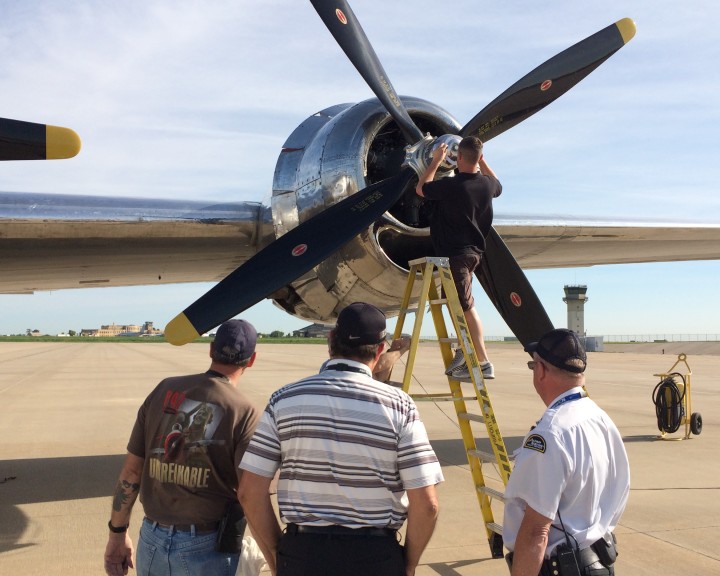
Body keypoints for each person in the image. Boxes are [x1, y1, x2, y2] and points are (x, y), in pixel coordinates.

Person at [238, 302, 444, 576]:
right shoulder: (400, 405)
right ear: (380, 350)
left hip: (302, 556)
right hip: (375, 558)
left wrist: (279, 557)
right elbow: (427, 504)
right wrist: (408, 563)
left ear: (330, 341)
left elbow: (249, 493)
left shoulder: (283, 399)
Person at [104, 319, 260, 576]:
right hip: (206, 547)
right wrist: (275, 553)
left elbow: (131, 473)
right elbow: (250, 495)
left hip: (151, 539)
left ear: (211, 349)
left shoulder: (163, 390)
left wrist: (117, 536)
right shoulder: (245, 411)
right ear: (251, 360)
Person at [503, 329, 630, 576]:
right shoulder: (601, 419)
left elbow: (535, 533)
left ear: (540, 371)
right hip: (599, 560)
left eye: (533, 365)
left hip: (560, 566)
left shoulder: (550, 434)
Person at [415, 135, 502, 382]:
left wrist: (434, 162)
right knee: (461, 305)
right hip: (474, 254)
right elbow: (498, 183)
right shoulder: (487, 185)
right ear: (480, 158)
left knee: (466, 307)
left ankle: (483, 362)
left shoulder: (452, 186)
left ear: (458, 158)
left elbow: (421, 188)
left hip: (456, 256)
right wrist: (482, 162)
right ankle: (464, 352)